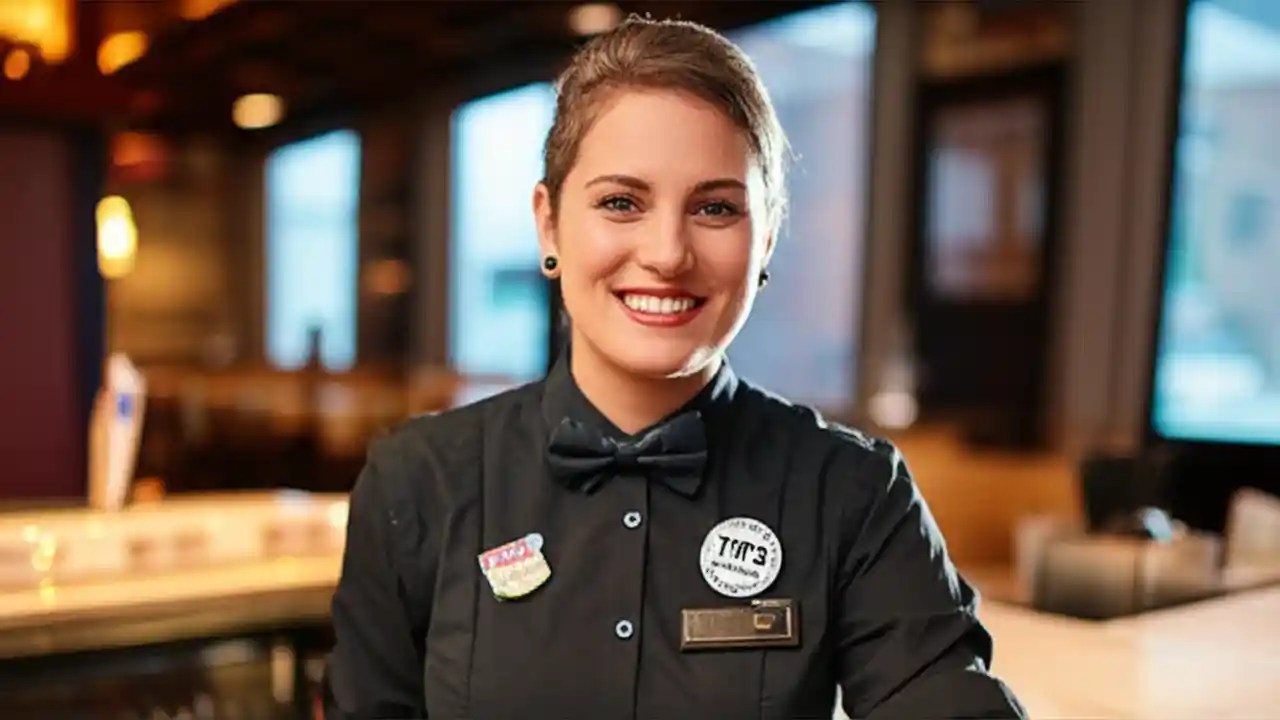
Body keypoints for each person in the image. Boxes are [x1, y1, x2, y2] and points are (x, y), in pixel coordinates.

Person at [325, 15, 1025, 720]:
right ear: (549, 223)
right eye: (620, 203)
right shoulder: (416, 483)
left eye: (715, 208)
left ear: (766, 240)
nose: (667, 253)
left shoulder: (852, 491)